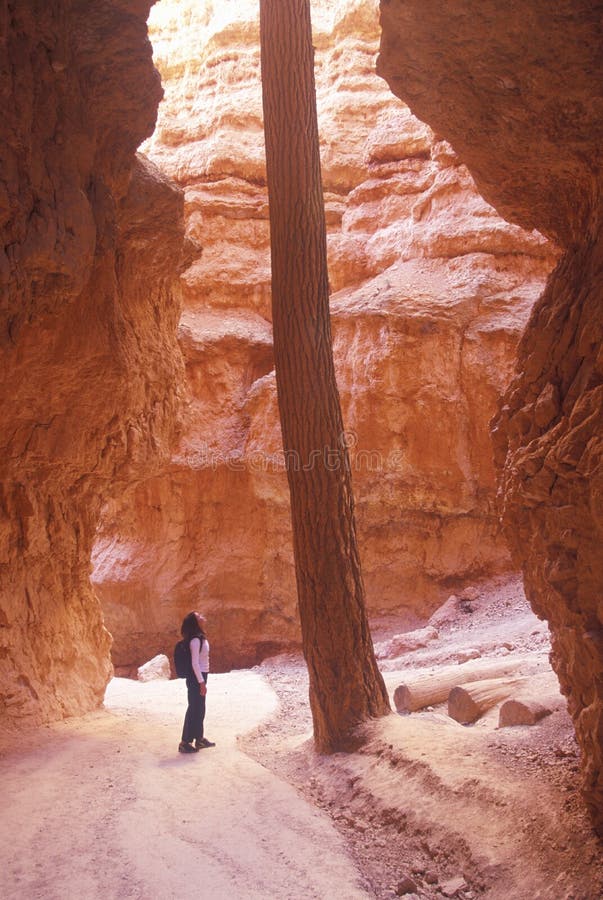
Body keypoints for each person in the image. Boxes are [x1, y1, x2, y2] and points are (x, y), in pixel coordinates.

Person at [178, 611, 216, 754]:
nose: (201, 616)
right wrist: (201, 682)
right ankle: (184, 742)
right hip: (196, 678)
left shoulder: (200, 638)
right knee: (194, 708)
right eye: (198, 615)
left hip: (201, 676)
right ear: (195, 622)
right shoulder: (195, 641)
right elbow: (195, 663)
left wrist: (203, 680)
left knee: (200, 708)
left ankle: (199, 739)